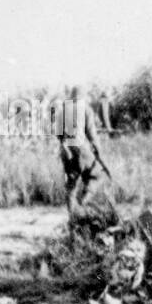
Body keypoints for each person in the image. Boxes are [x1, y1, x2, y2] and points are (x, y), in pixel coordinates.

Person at [55, 86, 106, 216]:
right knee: (97, 176)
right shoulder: (86, 109)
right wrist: (99, 151)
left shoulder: (63, 110)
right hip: (81, 149)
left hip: (66, 151)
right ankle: (82, 202)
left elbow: (58, 134)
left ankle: (73, 217)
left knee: (71, 186)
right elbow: (92, 134)